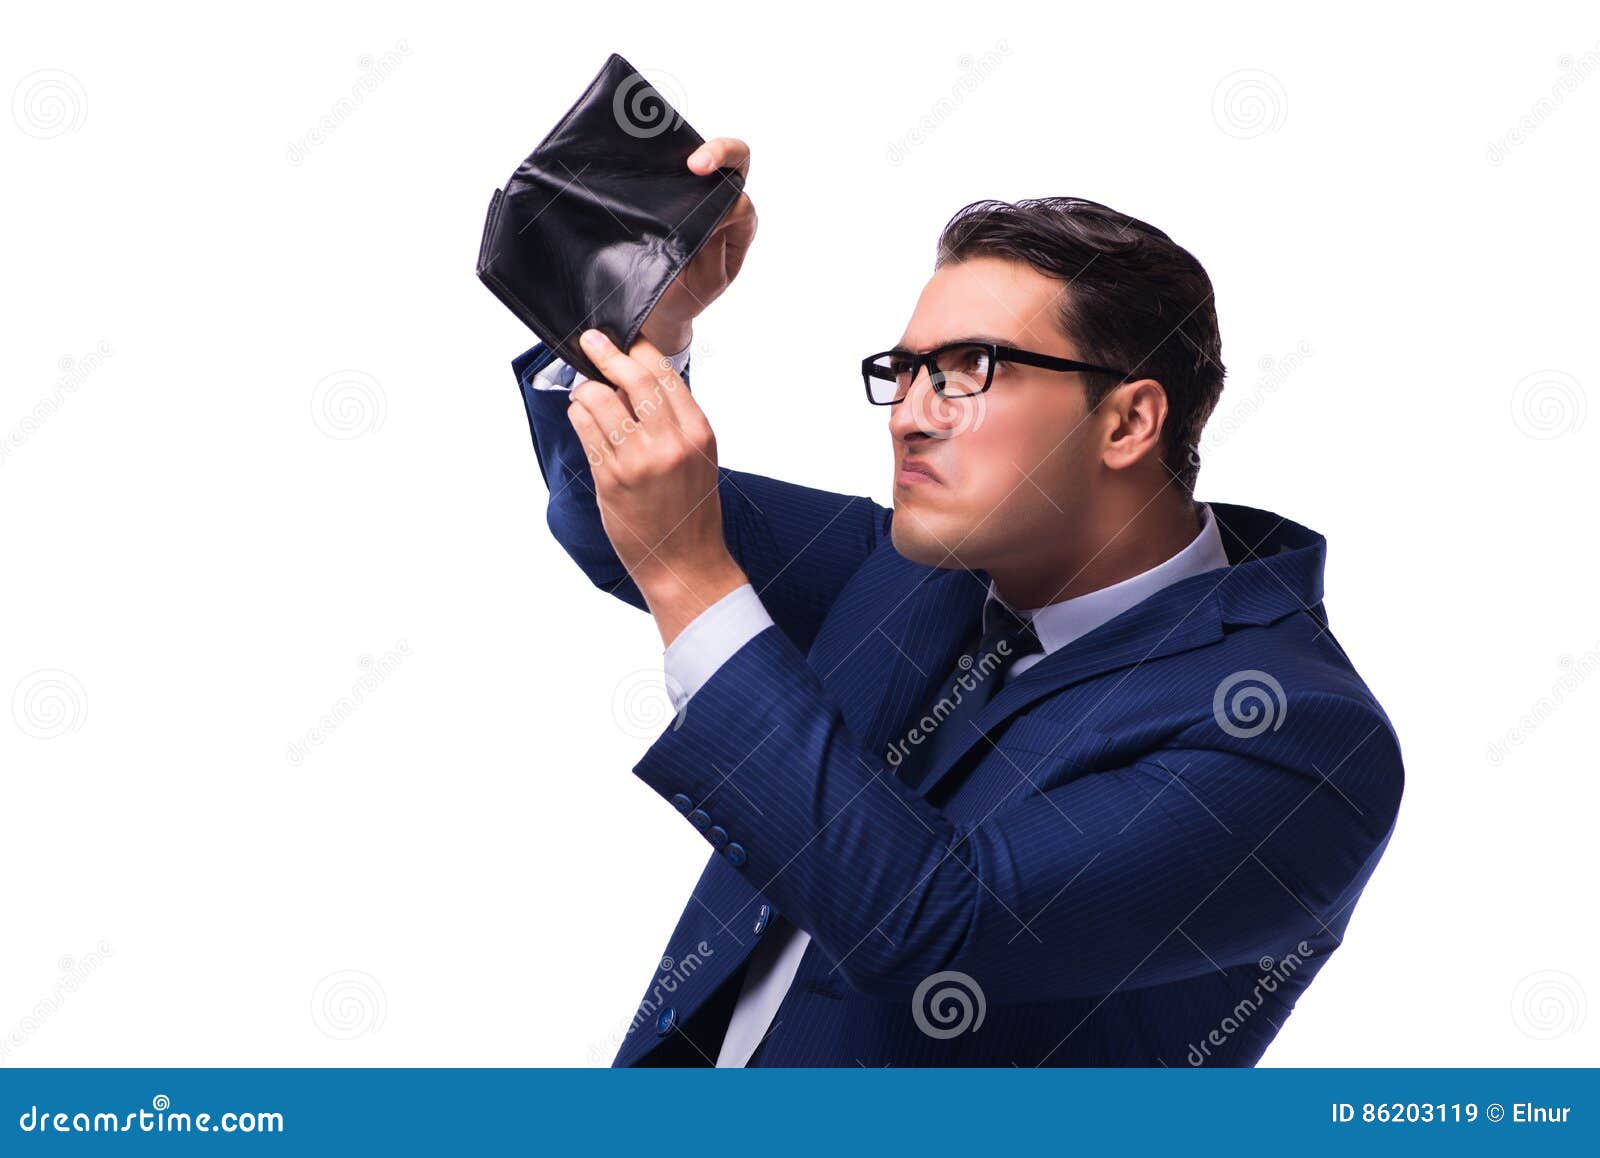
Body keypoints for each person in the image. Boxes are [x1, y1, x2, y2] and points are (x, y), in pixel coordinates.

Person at [509, 137, 1403, 1066]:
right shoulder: (920, 572)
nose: (909, 412)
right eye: (904, 369)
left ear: (1130, 421)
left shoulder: (1297, 736)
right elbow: (608, 515)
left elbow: (939, 929)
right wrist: (645, 305)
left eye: (970, 367)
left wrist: (694, 581)